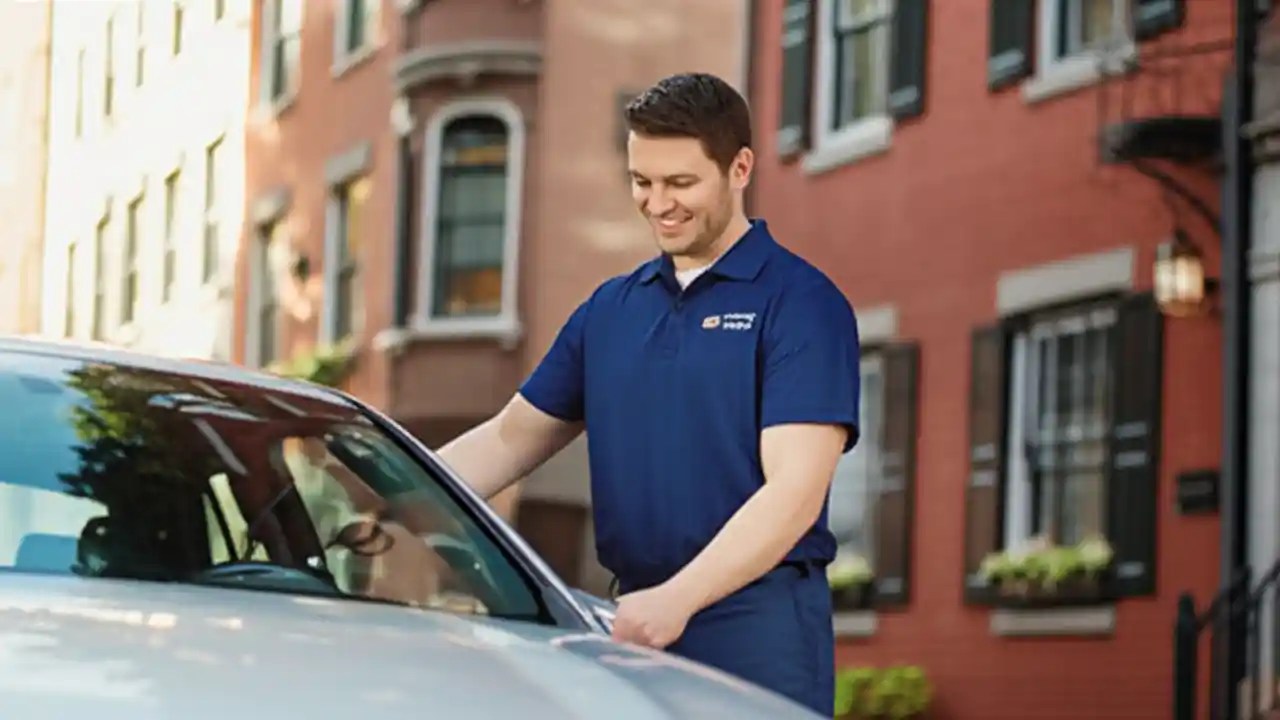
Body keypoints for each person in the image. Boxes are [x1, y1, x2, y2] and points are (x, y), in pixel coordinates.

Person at [437, 71, 859, 716]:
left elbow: (794, 494)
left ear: (739, 167)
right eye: (642, 182)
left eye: (681, 183)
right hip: (632, 620)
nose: (658, 203)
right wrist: (391, 495)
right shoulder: (611, 309)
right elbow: (507, 439)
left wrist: (678, 600)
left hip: (756, 626)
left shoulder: (801, 303)